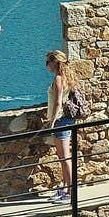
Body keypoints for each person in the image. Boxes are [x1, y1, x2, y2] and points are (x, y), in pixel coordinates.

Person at [45, 50, 74, 202]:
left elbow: (58, 102)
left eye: (47, 62)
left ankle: (70, 193)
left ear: (54, 62)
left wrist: (53, 121)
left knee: (65, 158)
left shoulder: (58, 79)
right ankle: (65, 188)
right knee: (63, 157)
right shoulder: (66, 77)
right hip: (65, 121)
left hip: (61, 121)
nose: (46, 66)